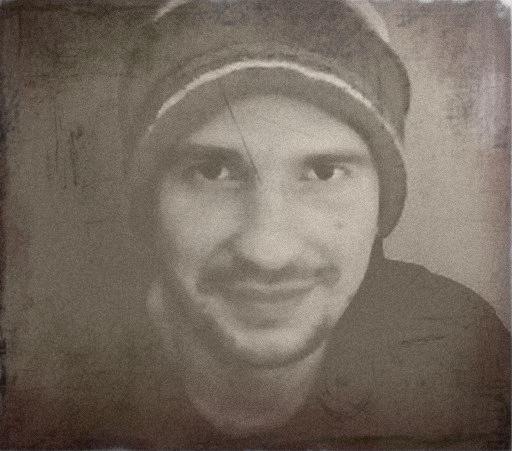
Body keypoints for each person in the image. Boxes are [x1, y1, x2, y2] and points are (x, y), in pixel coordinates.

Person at [113, 0, 511, 448]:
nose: (267, 252)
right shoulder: (69, 377)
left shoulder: (463, 353)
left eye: (323, 172)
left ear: (381, 203)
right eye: (212, 171)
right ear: (147, 203)